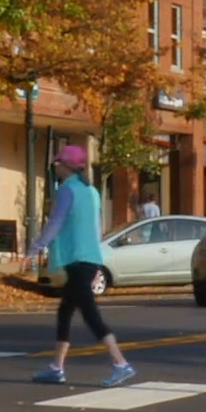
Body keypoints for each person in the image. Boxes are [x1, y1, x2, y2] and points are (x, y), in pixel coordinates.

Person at [28, 146, 135, 387]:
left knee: (89, 313)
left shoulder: (67, 190)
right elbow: (96, 226)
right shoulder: (91, 191)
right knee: (65, 311)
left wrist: (35, 248)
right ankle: (56, 367)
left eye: (58, 164)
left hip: (77, 258)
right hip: (90, 257)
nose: (55, 167)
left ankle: (120, 363)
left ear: (66, 166)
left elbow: (55, 223)